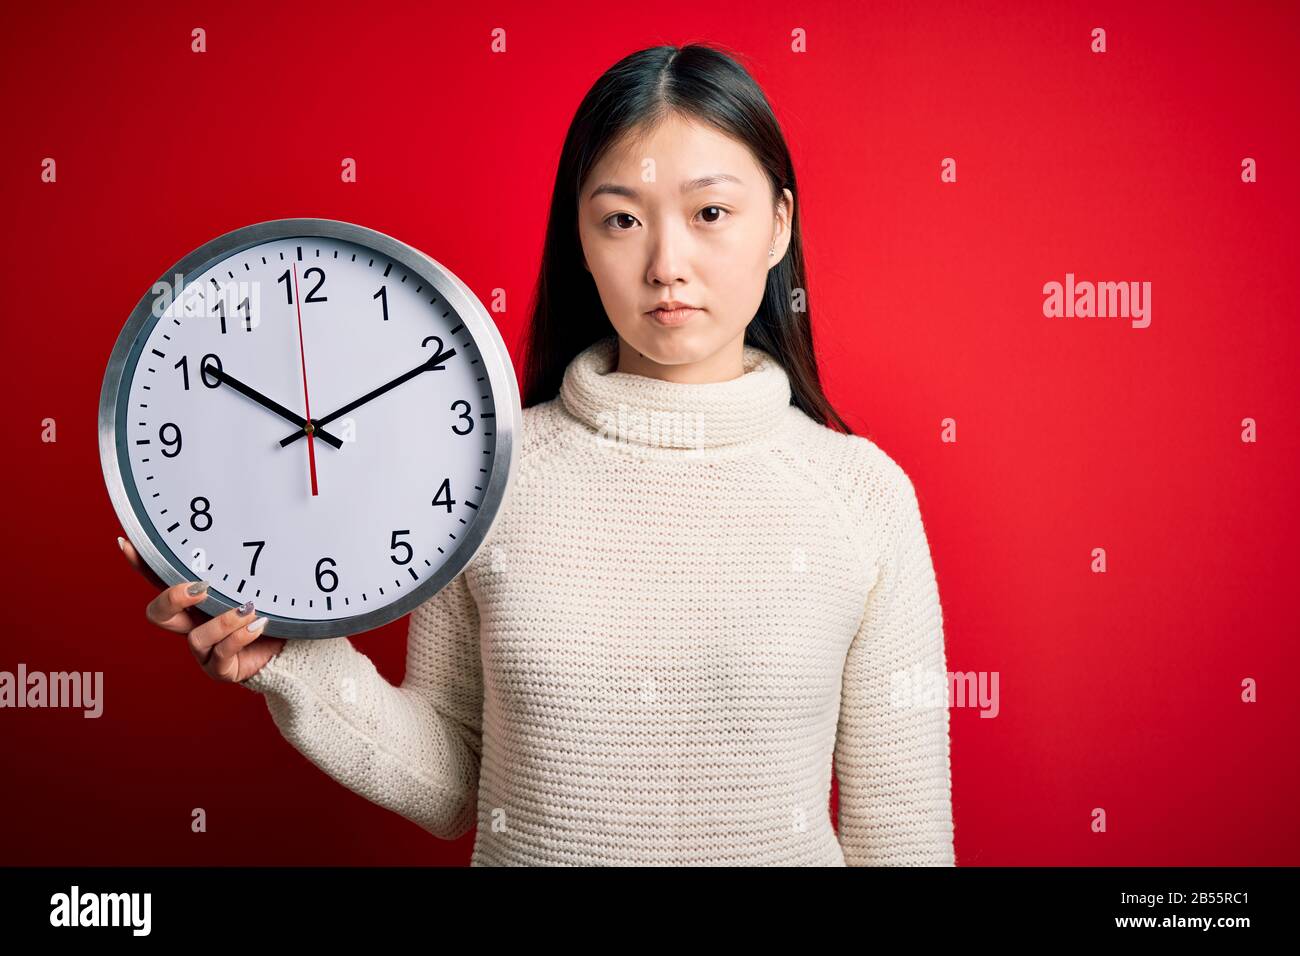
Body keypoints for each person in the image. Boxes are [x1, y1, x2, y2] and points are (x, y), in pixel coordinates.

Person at [120, 42, 956, 866]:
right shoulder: (491, 477)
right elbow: (456, 785)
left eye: (710, 213)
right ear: (581, 240)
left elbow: (903, 835)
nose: (668, 266)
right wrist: (293, 662)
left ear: (777, 225)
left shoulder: (863, 497)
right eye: (622, 219)